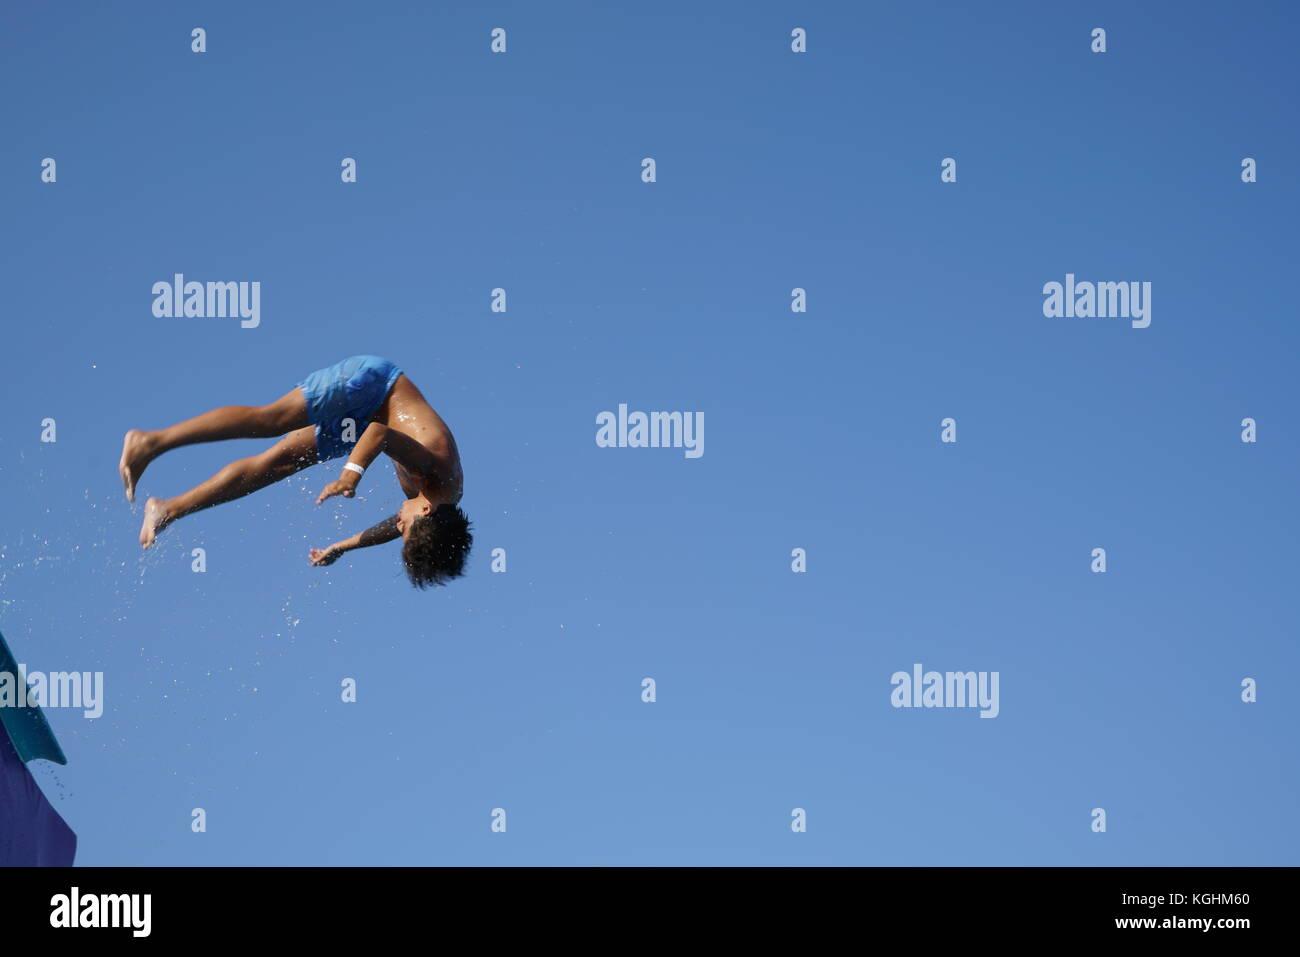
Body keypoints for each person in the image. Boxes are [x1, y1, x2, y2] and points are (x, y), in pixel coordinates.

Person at [118, 355, 471, 588]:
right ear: (426, 513)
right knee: (272, 421)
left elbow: (396, 527)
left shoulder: (433, 505)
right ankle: (151, 442)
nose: (397, 523)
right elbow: (380, 435)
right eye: (404, 527)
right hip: (374, 387)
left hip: (365, 424)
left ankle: (169, 509)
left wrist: (342, 546)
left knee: (279, 463)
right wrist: (351, 474)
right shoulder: (436, 468)